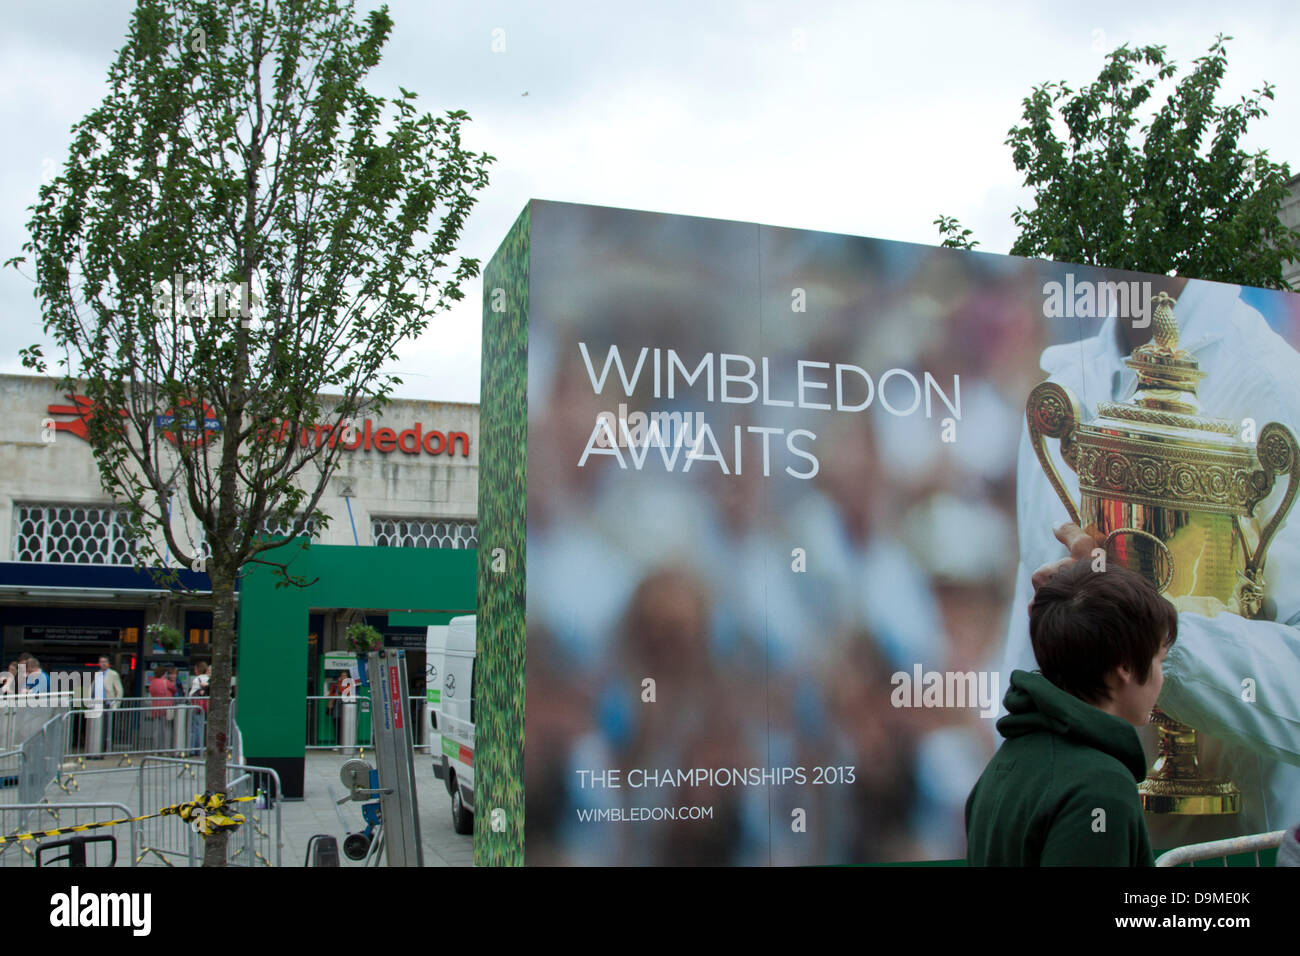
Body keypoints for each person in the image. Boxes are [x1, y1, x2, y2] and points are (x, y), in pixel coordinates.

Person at [1002, 277, 1300, 850]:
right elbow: (1028, 632)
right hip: (1082, 840)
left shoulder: (1275, 387)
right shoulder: (1062, 388)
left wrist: (1143, 632)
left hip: (1235, 857)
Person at [967, 558, 1176, 866]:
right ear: (1126, 667)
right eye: (1160, 660)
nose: (1162, 677)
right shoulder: (1101, 787)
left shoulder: (1003, 765)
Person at [187, 662, 210, 755]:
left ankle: (195, 749)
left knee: (196, 727)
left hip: (197, 707)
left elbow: (190, 695)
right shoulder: (209, 679)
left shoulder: (197, 680)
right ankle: (201, 748)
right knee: (202, 727)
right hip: (206, 707)